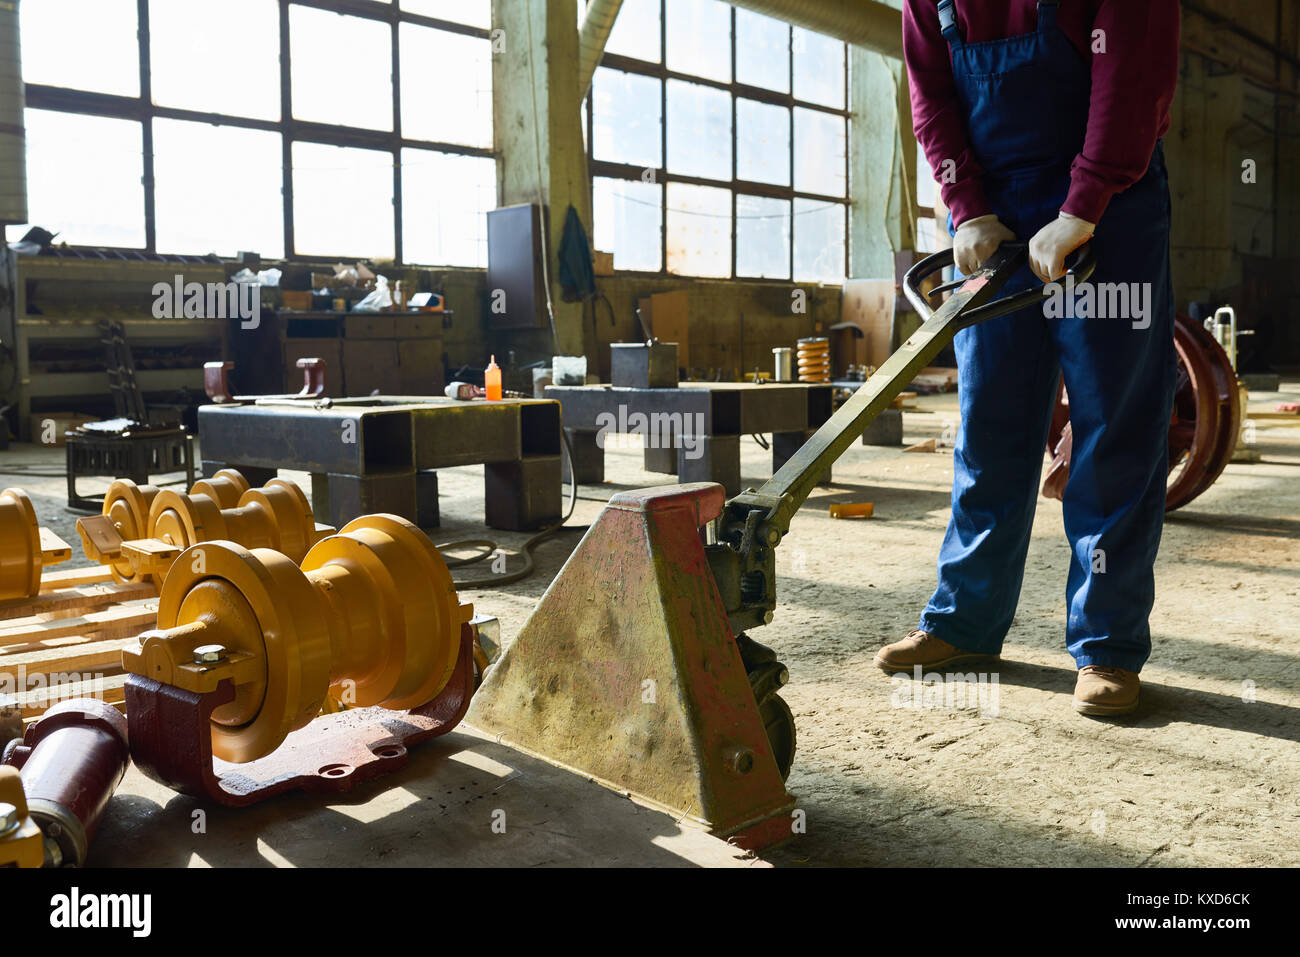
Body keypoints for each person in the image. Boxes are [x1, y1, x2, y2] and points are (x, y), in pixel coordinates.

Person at [876, 0, 1181, 716]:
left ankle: (1106, 644)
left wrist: (1084, 204)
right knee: (991, 423)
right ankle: (964, 625)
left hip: (1112, 205)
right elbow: (932, 93)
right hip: (995, 218)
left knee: (1111, 428)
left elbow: (1131, 74)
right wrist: (966, 203)